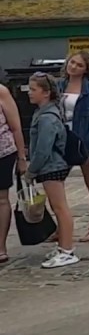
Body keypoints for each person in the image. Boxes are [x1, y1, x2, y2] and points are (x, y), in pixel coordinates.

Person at [25, 73, 77, 269]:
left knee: (60, 208)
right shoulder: (47, 112)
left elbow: (43, 149)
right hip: (52, 165)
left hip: (52, 166)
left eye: (33, 90)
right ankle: (64, 247)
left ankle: (67, 250)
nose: (29, 93)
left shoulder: (47, 117)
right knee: (59, 207)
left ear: (46, 93)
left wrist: (32, 170)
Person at [59, 51, 89, 242]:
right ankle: (59, 226)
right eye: (72, 63)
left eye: (79, 65)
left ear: (86, 69)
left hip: (84, 139)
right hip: (62, 138)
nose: (73, 67)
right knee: (54, 183)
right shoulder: (58, 86)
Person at [0, 81, 27, 264]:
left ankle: (0, 246)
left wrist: (22, 157)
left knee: (1, 199)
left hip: (2, 152)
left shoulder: (1, 92)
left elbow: (15, 126)